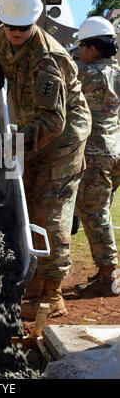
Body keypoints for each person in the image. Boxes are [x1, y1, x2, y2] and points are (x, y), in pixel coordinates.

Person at [0, 0, 91, 320]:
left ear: (35, 20)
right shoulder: (0, 36)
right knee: (22, 201)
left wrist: (14, 141)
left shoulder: (49, 60)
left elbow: (54, 122)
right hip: (29, 128)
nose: (15, 33)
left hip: (64, 135)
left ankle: (51, 294)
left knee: (48, 211)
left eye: (23, 28)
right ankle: (28, 279)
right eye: (10, 26)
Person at [74, 16, 120, 297]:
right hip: (115, 152)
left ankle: (108, 274)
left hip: (96, 155)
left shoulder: (88, 74)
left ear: (92, 49)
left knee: (94, 213)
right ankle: (105, 271)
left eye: (81, 46)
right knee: (99, 209)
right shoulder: (116, 72)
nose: (79, 51)